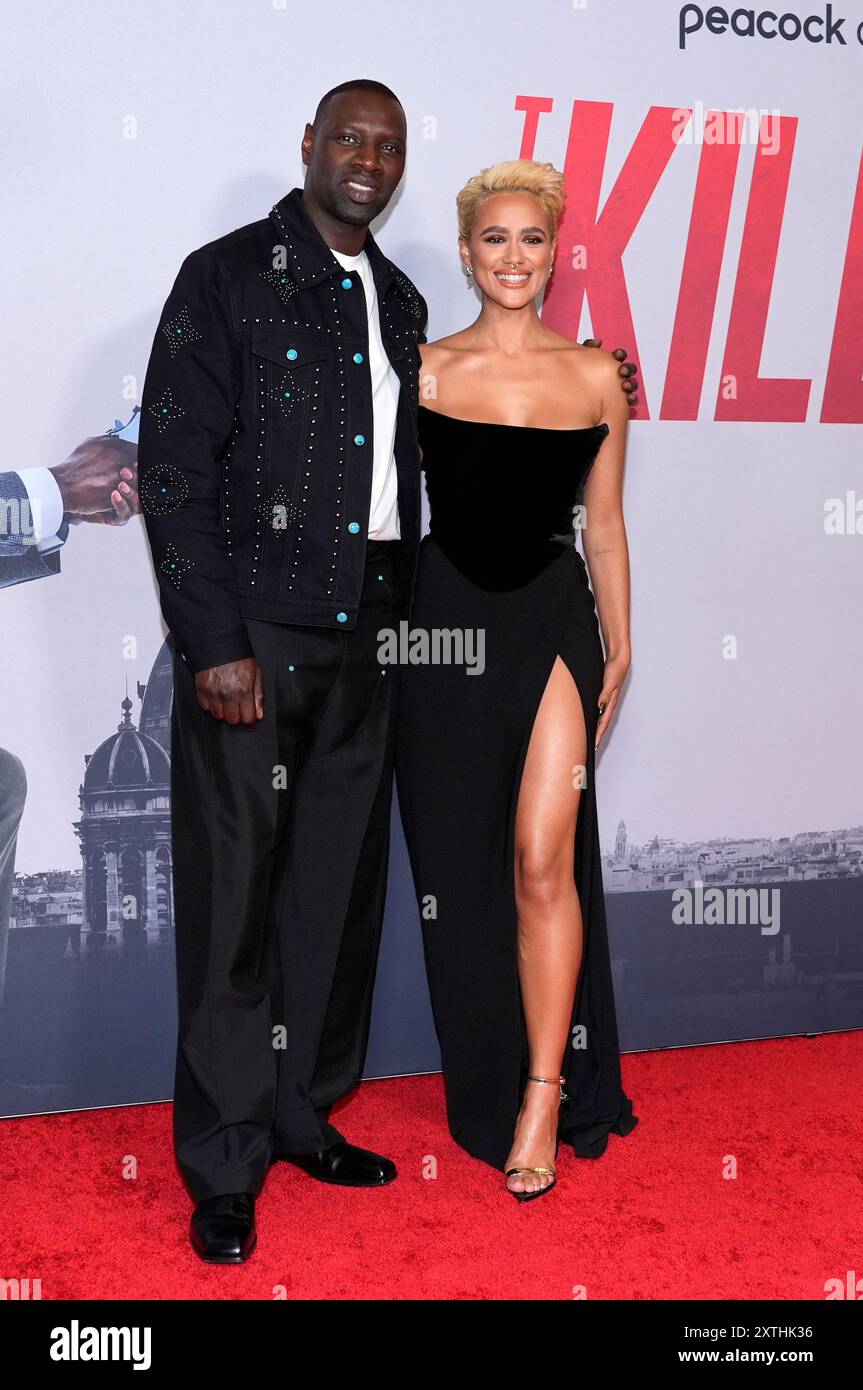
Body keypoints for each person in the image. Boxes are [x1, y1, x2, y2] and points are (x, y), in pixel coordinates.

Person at [139, 79, 637, 1260]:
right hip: (254, 634)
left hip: (380, 634)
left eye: (387, 146)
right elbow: (171, 466)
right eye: (348, 139)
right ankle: (223, 1162)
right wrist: (212, 641)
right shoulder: (225, 277)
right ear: (308, 145)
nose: (367, 159)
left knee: (333, 894)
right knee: (234, 904)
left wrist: (596, 375)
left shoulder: (404, 302)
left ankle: (303, 1111)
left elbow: (499, 452)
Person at [396, 160, 638, 1201]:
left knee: (544, 857)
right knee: (460, 867)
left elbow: (605, 522)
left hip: (549, 619)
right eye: (492, 238)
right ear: (463, 251)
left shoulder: (594, 377)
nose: (511, 256)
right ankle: (486, 1070)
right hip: (440, 627)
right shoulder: (420, 369)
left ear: (553, 252)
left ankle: (542, 1090)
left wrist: (619, 644)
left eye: (530, 240)